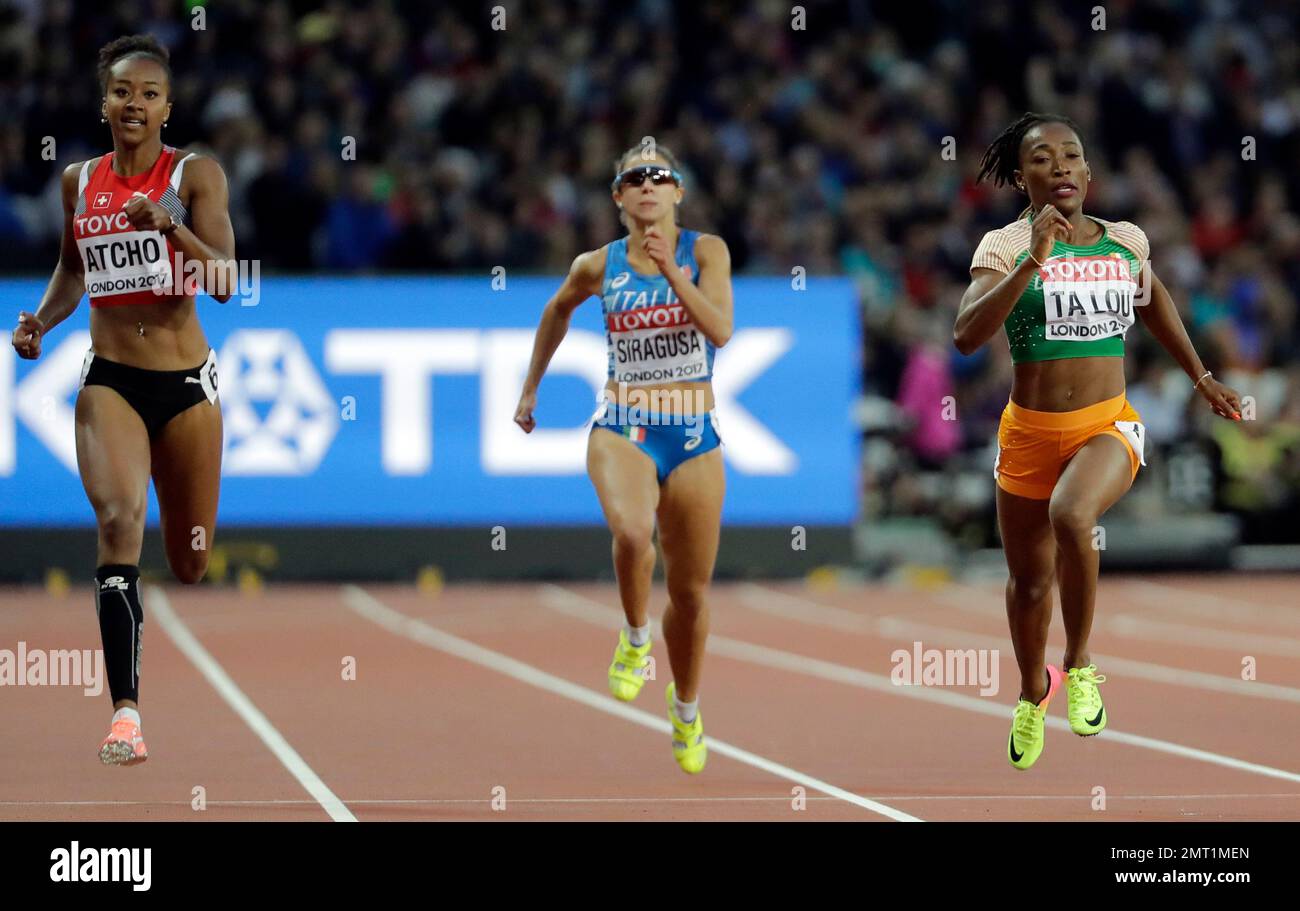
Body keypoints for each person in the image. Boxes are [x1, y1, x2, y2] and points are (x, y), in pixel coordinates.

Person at [953, 113, 1241, 770]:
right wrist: (1032, 259)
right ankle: (1033, 692)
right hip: (1027, 434)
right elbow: (967, 334)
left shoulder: (1123, 242)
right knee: (1029, 584)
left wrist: (1199, 375)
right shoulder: (1002, 246)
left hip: (1106, 424)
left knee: (1072, 514)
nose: (1058, 165)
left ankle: (1079, 663)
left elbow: (1155, 299)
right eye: (1041, 158)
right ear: (1023, 178)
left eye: (1070, 155)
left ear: (1087, 174)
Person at [11, 35, 237, 766]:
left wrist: (170, 225)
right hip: (110, 378)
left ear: (167, 108)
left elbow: (229, 278)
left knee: (192, 559)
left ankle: (177, 565)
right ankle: (126, 714)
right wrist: (40, 322)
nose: (133, 103)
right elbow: (72, 271)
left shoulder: (194, 173)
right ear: (103, 101)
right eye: (121, 92)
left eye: (148, 93)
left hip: (185, 386)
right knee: (117, 521)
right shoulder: (79, 181)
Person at [515, 145, 733, 773]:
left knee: (690, 596)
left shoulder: (705, 251)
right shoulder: (597, 265)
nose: (646, 186)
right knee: (634, 532)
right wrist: (531, 387)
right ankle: (635, 638)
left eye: (658, 177)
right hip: (623, 424)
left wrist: (673, 274)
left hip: (693, 433)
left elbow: (720, 331)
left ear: (677, 193)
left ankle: (686, 710)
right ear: (617, 198)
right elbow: (556, 310)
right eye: (633, 179)